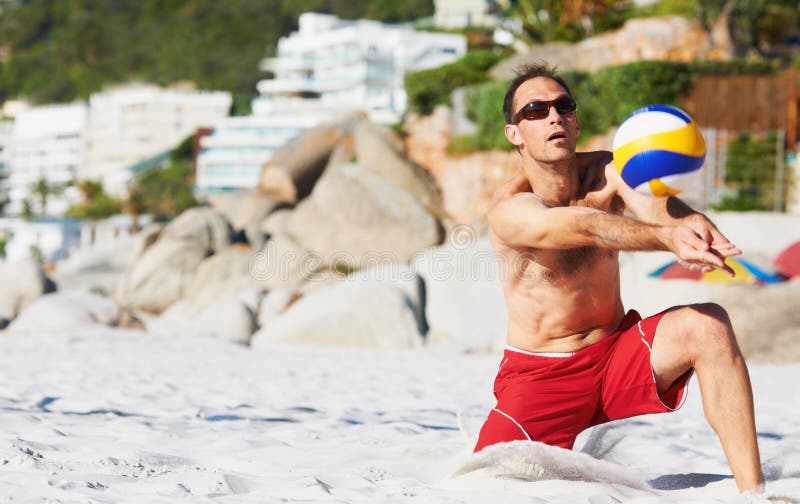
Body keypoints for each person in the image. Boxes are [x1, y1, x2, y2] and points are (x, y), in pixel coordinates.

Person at [473, 62, 763, 493]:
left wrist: (694, 228)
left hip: (616, 354)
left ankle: (755, 492)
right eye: (535, 110)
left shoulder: (609, 171)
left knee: (709, 325)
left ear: (574, 120)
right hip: (543, 376)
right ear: (514, 133)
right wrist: (667, 239)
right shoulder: (511, 210)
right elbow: (588, 226)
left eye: (563, 106)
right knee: (483, 483)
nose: (553, 116)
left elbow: (657, 209)